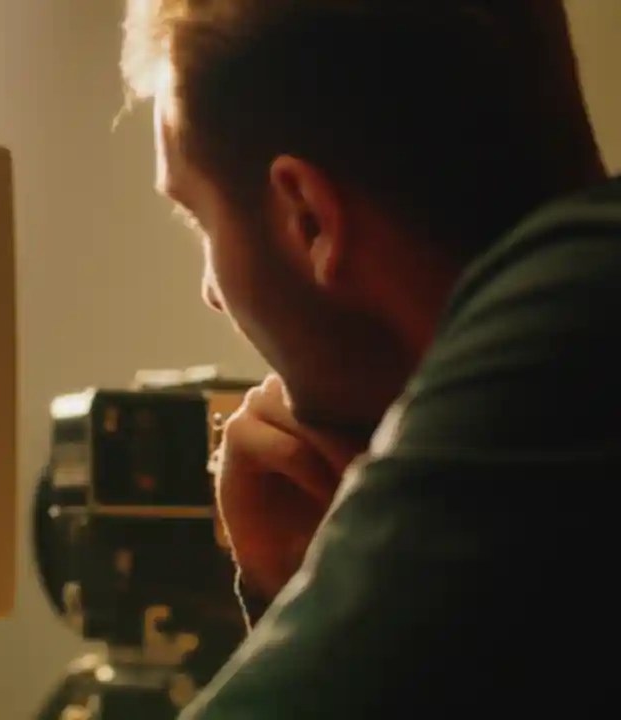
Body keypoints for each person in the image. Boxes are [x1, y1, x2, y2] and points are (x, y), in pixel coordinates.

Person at [120, 0, 620, 716]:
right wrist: (314, 586)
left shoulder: (565, 350)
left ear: (310, 219)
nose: (212, 292)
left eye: (199, 216)